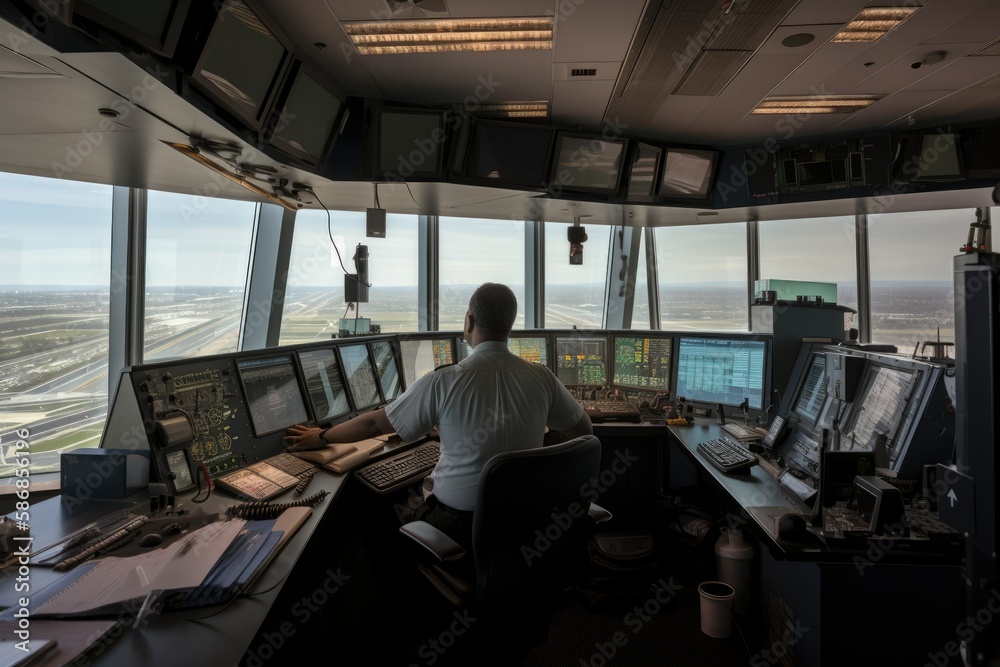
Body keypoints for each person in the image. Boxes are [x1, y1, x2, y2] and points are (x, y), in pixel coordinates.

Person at [284, 282, 592, 548]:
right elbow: (584, 431)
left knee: (375, 504)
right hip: (528, 521)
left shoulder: (444, 381)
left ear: (470, 321)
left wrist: (321, 436)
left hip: (458, 526)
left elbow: (374, 422)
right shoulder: (542, 378)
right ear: (509, 325)